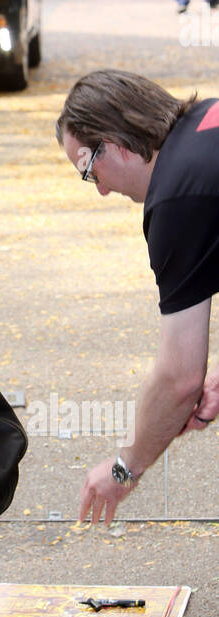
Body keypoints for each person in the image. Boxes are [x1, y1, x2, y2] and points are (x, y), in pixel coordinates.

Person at [56, 70, 219, 527]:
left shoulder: (176, 199)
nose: (102, 189)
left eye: (90, 171)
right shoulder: (206, 119)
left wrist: (125, 467)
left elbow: (180, 377)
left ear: (115, 143)